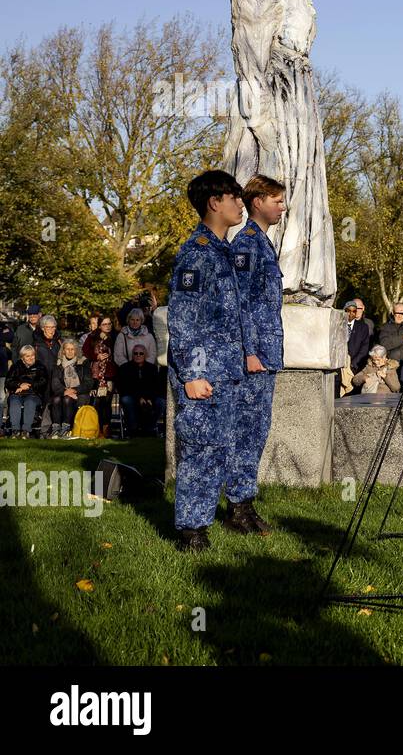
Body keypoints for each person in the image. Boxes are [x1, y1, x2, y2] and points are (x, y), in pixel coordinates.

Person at [168, 169, 258, 553]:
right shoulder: (196, 252)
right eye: (234, 197)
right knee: (200, 448)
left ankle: (200, 522)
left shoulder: (223, 251)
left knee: (218, 448)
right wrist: (190, 374)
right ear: (213, 203)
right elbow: (183, 318)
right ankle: (191, 531)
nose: (241, 203)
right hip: (202, 372)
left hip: (226, 370)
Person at [228, 173, 287, 534]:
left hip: (266, 353)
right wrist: (250, 352)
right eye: (276, 200)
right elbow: (241, 304)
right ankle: (238, 509)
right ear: (257, 202)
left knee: (256, 430)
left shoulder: (261, 243)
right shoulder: (248, 245)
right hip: (254, 356)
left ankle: (245, 505)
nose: (282, 206)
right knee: (247, 430)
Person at [116, 343, 163, 438]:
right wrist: (139, 398)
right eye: (135, 353)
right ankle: (133, 429)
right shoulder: (124, 368)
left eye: (141, 353)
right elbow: (124, 387)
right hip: (131, 396)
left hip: (149, 397)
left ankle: (150, 428)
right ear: (132, 355)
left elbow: (156, 386)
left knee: (161, 402)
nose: (138, 355)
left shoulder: (152, 368)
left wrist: (149, 398)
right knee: (126, 400)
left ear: (145, 355)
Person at [49, 339, 91, 438]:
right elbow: (55, 383)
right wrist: (65, 391)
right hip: (63, 392)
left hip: (80, 394)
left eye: (72, 349)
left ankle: (66, 429)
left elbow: (88, 383)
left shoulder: (83, 362)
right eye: (67, 349)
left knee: (67, 399)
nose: (70, 351)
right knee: (56, 399)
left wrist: (74, 390)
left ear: (76, 351)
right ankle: (56, 429)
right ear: (63, 351)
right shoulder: (58, 364)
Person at [7, 346, 46, 438]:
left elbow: (43, 382)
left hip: (34, 394)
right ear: (22, 357)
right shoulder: (15, 366)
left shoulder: (40, 366)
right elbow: (8, 382)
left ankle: (26, 431)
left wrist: (27, 386)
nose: (31, 358)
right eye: (27, 356)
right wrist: (19, 384)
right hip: (17, 394)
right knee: (14, 401)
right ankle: (15, 431)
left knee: (30, 402)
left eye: (32, 355)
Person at [86, 340, 117, 437]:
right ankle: (97, 428)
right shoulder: (90, 363)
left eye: (104, 351)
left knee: (106, 403)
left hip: (107, 381)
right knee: (96, 404)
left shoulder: (111, 364)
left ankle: (106, 428)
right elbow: (85, 349)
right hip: (94, 381)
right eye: (98, 350)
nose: (102, 353)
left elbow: (112, 375)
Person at [342, 299, 372, 393]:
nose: (352, 313)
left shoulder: (363, 327)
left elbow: (364, 347)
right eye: (349, 311)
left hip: (355, 366)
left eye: (354, 310)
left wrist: (353, 363)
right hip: (340, 366)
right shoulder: (338, 325)